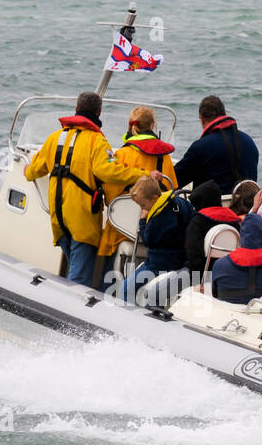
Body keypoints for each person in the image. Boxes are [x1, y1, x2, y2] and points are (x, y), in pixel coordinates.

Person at [24, 91, 149, 287]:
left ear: (76, 109)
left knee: (73, 262)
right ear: (99, 113)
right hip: (81, 217)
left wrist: (26, 170)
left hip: (58, 216)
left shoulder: (55, 138)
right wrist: (141, 174)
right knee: (80, 278)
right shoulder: (97, 141)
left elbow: (33, 171)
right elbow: (108, 170)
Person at [99, 106, 178, 272]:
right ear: (152, 126)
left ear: (131, 126)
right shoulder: (164, 157)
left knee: (108, 268)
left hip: (121, 230)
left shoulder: (121, 154)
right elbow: (172, 190)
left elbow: (110, 197)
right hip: (152, 230)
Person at [120, 174, 194, 303]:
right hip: (181, 260)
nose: (142, 209)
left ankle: (128, 317)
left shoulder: (159, 218)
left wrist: (143, 220)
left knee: (125, 289)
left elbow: (149, 241)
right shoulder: (180, 203)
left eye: (143, 205)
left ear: (154, 198)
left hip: (160, 264)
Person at [173, 95, 259, 194]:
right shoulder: (249, 141)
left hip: (210, 208)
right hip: (247, 206)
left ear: (202, 119)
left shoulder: (201, 147)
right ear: (224, 114)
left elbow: (173, 181)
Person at [184, 179, 242, 274]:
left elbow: (193, 256)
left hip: (204, 277)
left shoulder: (197, 222)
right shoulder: (235, 221)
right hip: (232, 273)